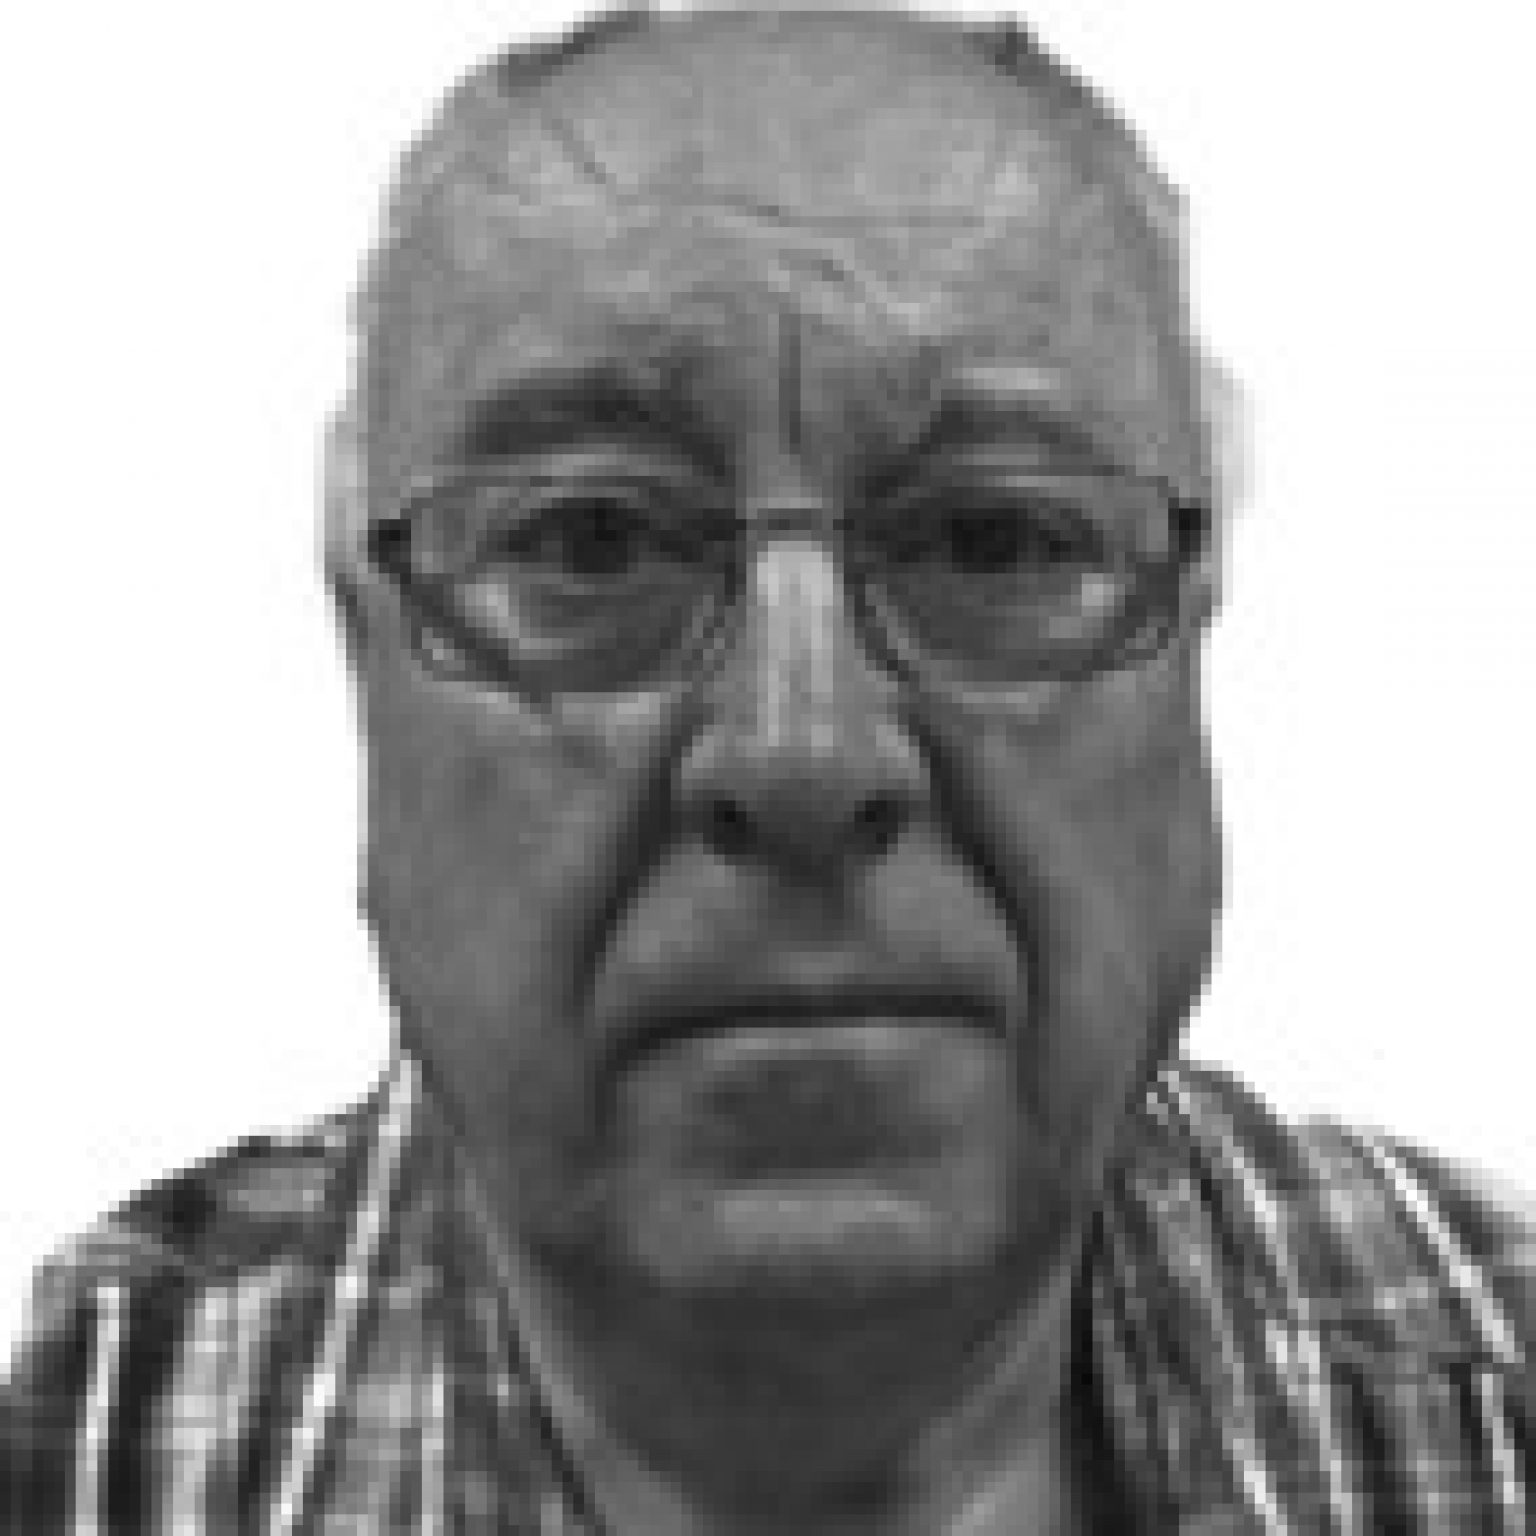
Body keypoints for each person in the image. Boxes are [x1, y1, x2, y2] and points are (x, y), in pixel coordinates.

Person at [2, 7, 1530, 1533]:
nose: (803, 749)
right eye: (590, 541)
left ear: (1195, 631)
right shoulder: (76, 1453)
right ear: (364, 656)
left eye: (994, 539)